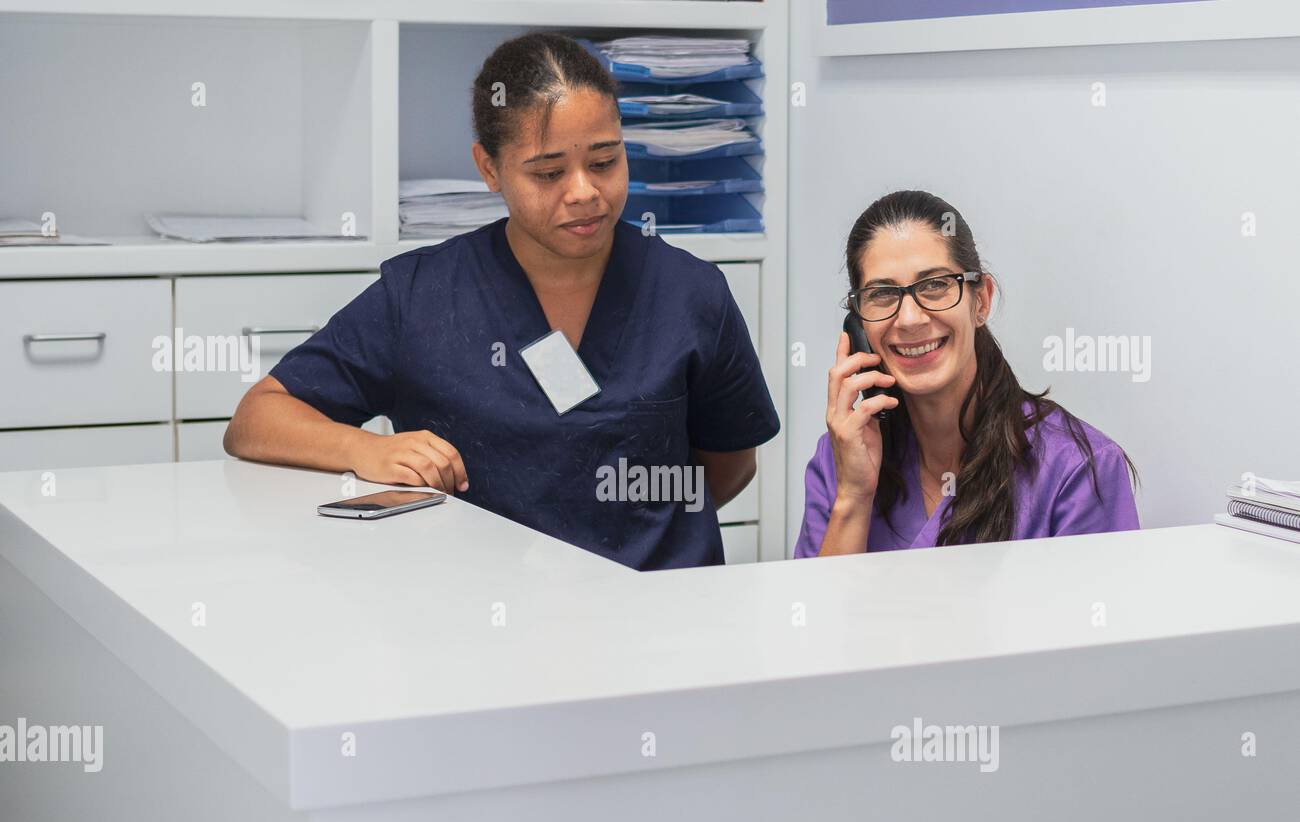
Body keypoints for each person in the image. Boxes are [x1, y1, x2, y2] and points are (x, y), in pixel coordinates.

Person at [224, 32, 779, 571]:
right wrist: (363, 450)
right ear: (489, 168)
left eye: (605, 161)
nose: (584, 191)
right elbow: (256, 419)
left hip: (662, 621)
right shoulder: (421, 296)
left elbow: (728, 466)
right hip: (481, 620)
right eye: (549, 172)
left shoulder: (691, 293)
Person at [795, 189, 1138, 557]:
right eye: (882, 293)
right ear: (858, 324)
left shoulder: (1079, 470)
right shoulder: (844, 457)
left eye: (935, 285)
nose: (910, 318)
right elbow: (820, 613)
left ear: (982, 300)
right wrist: (854, 495)